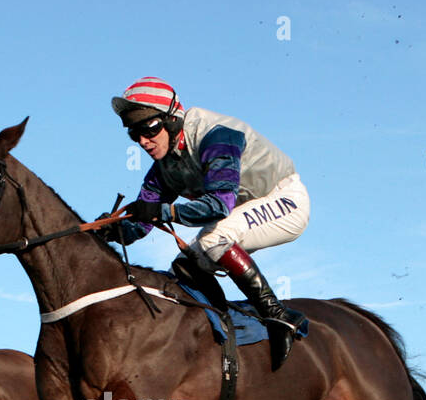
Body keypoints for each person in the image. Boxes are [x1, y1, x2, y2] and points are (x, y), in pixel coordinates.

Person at [100, 77, 309, 370]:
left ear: (172, 120)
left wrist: (163, 211)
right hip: (242, 213)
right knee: (185, 266)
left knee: (212, 239)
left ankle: (279, 317)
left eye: (149, 130)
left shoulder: (216, 136)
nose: (143, 142)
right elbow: (142, 224)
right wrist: (111, 230)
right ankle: (223, 332)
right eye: (134, 135)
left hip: (285, 200)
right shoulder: (162, 167)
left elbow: (218, 206)